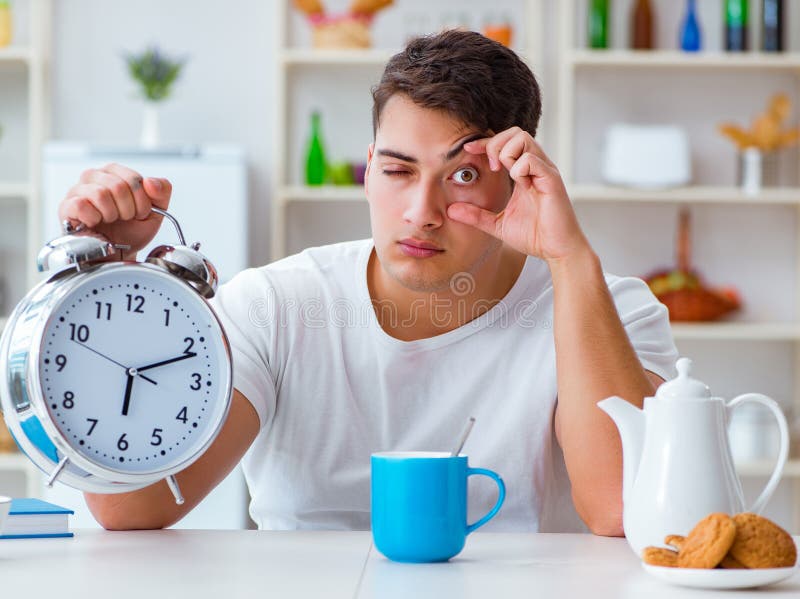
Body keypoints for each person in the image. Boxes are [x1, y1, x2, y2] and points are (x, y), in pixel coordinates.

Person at [60, 30, 677, 534]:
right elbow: (131, 508)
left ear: (517, 180)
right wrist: (115, 285)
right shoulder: (278, 304)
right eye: (397, 170)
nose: (421, 211)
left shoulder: (613, 308)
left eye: (462, 177)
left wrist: (570, 260)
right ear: (368, 170)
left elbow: (622, 509)